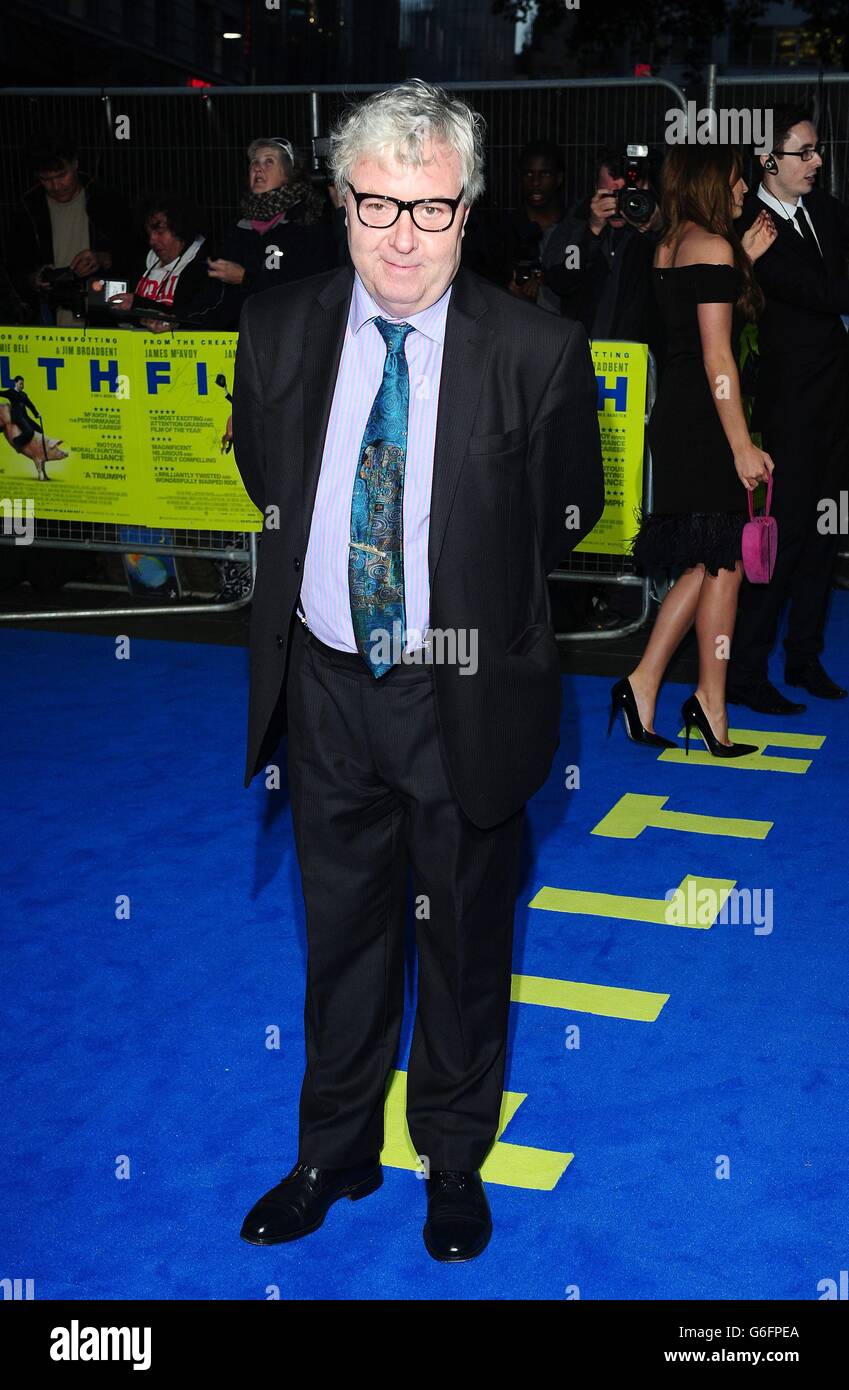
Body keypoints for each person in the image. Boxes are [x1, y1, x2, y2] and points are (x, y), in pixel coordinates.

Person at [231, 79, 604, 1261]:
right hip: (327, 690)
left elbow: (562, 521)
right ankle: (334, 1154)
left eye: (432, 210)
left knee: (460, 941)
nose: (403, 235)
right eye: (380, 204)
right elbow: (264, 476)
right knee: (341, 937)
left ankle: (452, 1158)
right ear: (340, 202)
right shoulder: (278, 326)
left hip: (464, 694)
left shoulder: (539, 350)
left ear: (469, 209)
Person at [612, 144, 777, 759]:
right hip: (707, 421)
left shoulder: (672, 244)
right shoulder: (710, 246)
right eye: (737, 181)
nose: (744, 192)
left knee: (714, 562)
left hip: (679, 415)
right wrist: (741, 445)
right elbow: (717, 357)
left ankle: (688, 696)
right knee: (715, 561)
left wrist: (742, 265)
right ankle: (666, 688)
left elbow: (694, 328)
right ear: (713, 181)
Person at [726, 106, 849, 713]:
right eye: (804, 152)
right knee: (784, 538)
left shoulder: (827, 212)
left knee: (828, 535)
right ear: (767, 160)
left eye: (816, 150)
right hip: (787, 414)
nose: (817, 162)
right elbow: (824, 294)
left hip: (837, 409)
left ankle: (804, 657)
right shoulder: (749, 230)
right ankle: (747, 672)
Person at [543, 146, 665, 359]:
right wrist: (592, 231)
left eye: (627, 195)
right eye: (610, 195)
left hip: (640, 357)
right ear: (595, 189)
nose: (618, 205)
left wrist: (656, 227)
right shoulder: (578, 221)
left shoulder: (659, 225)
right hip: (584, 355)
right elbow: (561, 279)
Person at [5, 131, 136, 326]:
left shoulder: (105, 199)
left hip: (102, 315)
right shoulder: (28, 208)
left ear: (75, 163)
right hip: (48, 316)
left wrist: (102, 259)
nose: (56, 186)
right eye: (45, 179)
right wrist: (35, 279)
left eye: (61, 175)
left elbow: (134, 254)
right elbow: (14, 266)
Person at [207, 137, 337, 314]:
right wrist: (176, 319)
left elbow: (309, 287)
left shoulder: (308, 222)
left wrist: (246, 279)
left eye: (269, 161)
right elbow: (217, 296)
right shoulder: (240, 226)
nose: (257, 168)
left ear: (288, 173)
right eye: (254, 162)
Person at [462, 139, 567, 313]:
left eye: (545, 174)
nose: (535, 182)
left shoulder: (574, 229)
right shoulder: (501, 233)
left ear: (558, 178)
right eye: (528, 174)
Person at [107, 193, 237, 331]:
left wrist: (138, 304)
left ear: (180, 229)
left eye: (160, 232)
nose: (152, 240)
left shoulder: (204, 268)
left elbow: (190, 317)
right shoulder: (144, 262)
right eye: (149, 233)